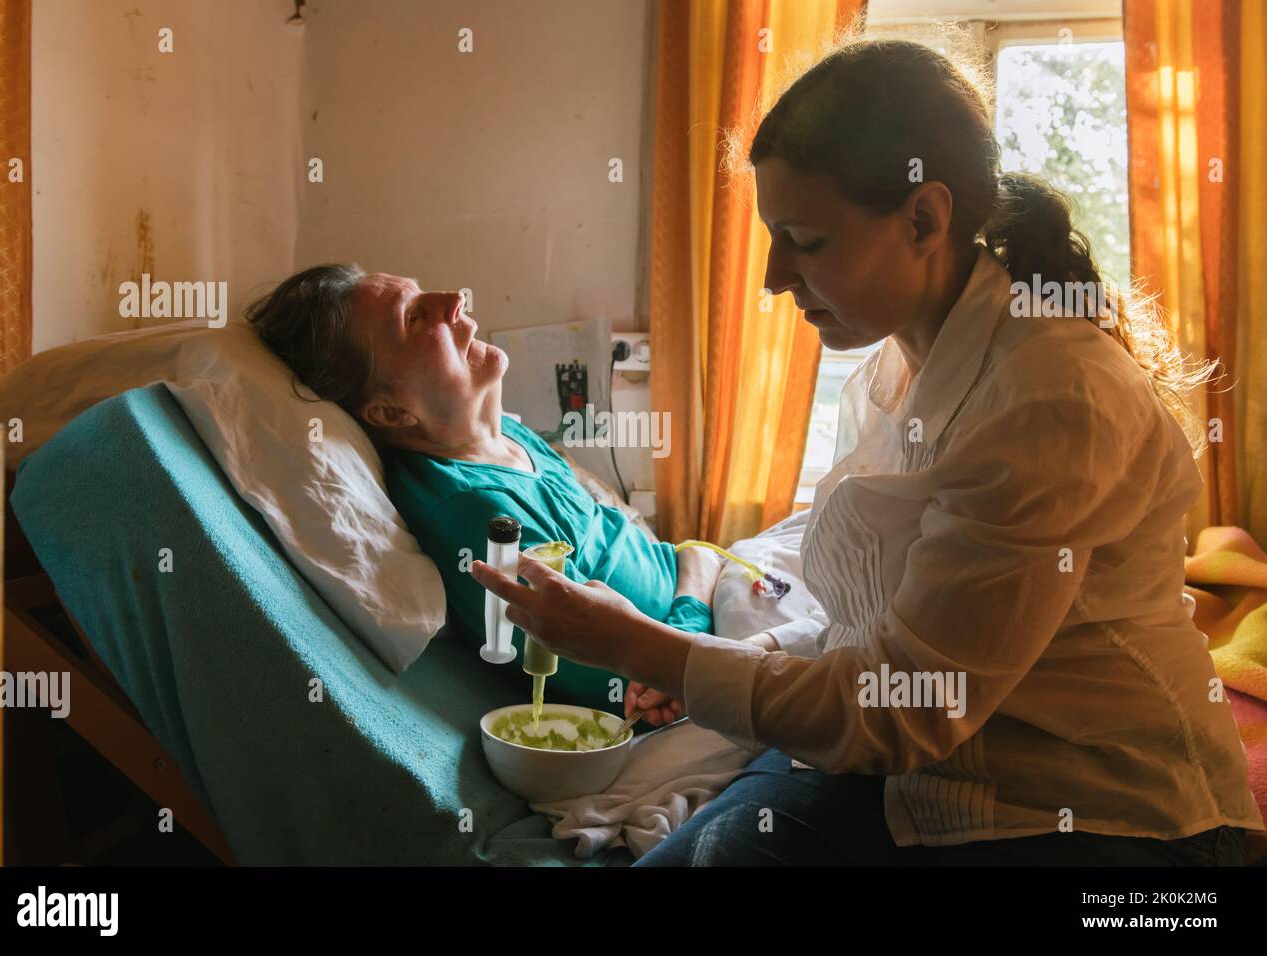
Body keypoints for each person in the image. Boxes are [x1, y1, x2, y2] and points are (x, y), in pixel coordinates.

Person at [471, 35, 1264, 865]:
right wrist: (726, 658)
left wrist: (645, 647)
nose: (774, 278)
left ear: (925, 218)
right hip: (915, 776)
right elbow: (879, 625)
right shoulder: (901, 361)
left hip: (1092, 807)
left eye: (805, 241)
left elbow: (905, 708)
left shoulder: (1051, 400)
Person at [247, 264, 720, 714]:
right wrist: (695, 594)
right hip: (693, 654)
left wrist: (695, 565)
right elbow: (608, 671)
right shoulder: (475, 512)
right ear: (390, 412)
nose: (454, 300)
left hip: (699, 605)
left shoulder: (509, 438)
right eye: (413, 318)